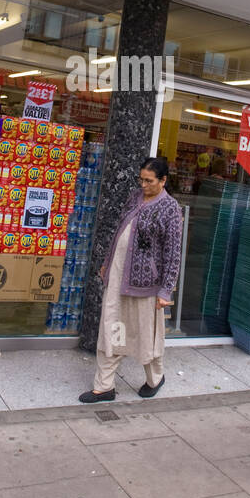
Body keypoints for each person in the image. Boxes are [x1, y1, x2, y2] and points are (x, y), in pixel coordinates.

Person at [80, 156, 184, 403]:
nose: (143, 185)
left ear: (163, 181)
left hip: (146, 284)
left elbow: (173, 253)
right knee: (112, 326)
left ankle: (155, 378)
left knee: (146, 334)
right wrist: (107, 264)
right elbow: (118, 231)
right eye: (141, 179)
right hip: (118, 276)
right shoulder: (135, 197)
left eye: (149, 181)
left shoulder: (170, 208)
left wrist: (165, 291)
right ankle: (104, 385)